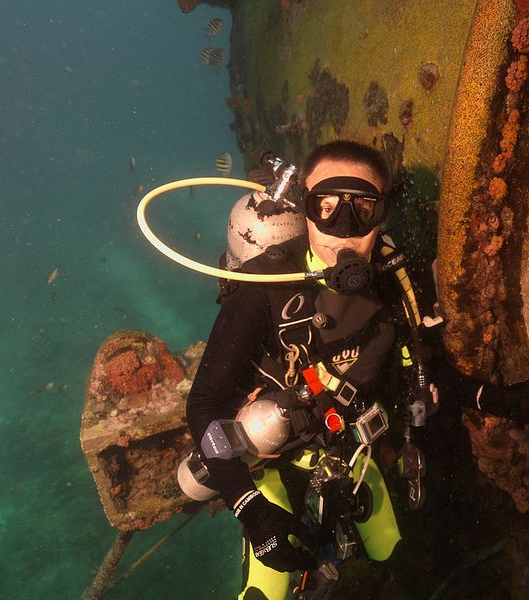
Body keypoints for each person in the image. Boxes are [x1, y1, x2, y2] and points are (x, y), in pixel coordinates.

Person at [186, 140, 438, 599]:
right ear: (304, 210)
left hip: (350, 452)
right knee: (269, 591)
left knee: (392, 556)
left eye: (362, 208)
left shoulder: (396, 280)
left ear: (382, 215)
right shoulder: (262, 289)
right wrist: (251, 511)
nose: (343, 230)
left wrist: (492, 397)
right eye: (326, 207)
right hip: (271, 459)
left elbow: (420, 369)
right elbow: (204, 404)